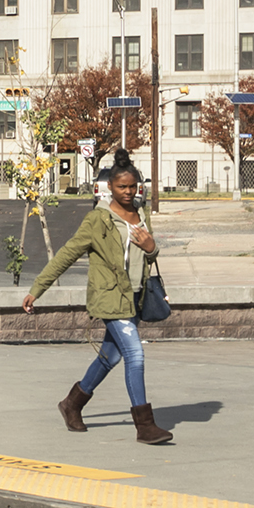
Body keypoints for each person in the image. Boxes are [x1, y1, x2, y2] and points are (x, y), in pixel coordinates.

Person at [25, 161, 171, 445]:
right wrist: (37, 289)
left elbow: (147, 254)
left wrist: (152, 248)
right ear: (110, 187)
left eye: (133, 186)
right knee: (135, 355)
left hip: (136, 296)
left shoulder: (141, 214)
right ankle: (145, 426)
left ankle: (72, 404)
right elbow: (67, 254)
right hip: (109, 297)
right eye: (122, 186)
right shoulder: (98, 220)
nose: (128, 191)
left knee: (111, 356)